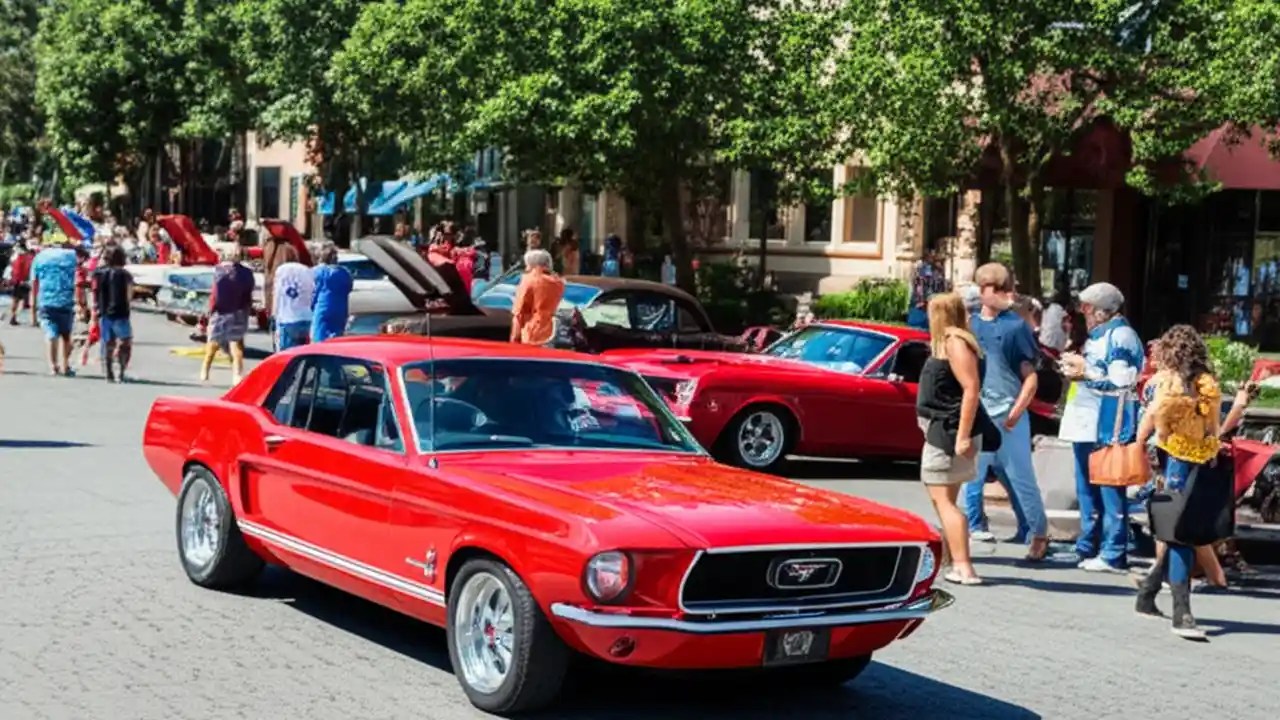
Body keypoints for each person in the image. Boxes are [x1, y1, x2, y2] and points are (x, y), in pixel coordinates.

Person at [1133, 325, 1221, 640]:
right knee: (1182, 532)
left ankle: (1149, 591)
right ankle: (1181, 611)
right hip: (1191, 460)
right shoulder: (1205, 384)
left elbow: (1152, 423)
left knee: (1178, 531)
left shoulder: (1166, 383)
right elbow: (1213, 428)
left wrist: (1141, 449)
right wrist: (1211, 452)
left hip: (1172, 460)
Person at [961, 263, 1050, 560]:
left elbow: (1031, 377)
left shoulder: (1015, 326)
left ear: (995, 291)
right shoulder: (971, 325)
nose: (979, 293)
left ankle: (1039, 533)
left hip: (1008, 414)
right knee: (970, 476)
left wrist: (1015, 412)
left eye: (983, 288)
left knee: (1022, 478)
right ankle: (961, 536)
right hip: (981, 413)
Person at [1058, 282, 1145, 572]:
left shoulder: (1120, 337)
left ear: (1104, 311)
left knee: (1108, 489)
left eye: (1088, 308)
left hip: (1108, 424)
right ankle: (1091, 545)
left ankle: (1112, 551)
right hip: (1091, 421)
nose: (1084, 313)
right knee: (1089, 488)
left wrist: (1085, 372)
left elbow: (1121, 383)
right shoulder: (1103, 334)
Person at [917, 292, 996, 585]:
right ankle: (952, 560)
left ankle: (964, 566)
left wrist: (962, 437)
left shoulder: (954, 342)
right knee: (944, 499)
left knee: (944, 501)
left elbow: (971, 388)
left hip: (948, 433)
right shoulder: (954, 341)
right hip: (946, 430)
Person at [201, 246, 255, 385]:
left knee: (213, 342)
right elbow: (249, 293)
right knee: (236, 343)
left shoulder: (219, 271)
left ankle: (205, 370)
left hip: (221, 311)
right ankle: (237, 374)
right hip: (240, 311)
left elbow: (215, 294)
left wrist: (210, 309)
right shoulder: (247, 273)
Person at [29, 236, 79, 376]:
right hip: (66, 299)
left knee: (51, 333)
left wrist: (33, 309)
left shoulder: (39, 257)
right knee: (66, 335)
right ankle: (66, 365)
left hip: (46, 299)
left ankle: (53, 366)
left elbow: (34, 283)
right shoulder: (71, 256)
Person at [93, 245, 133, 382]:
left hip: (105, 313)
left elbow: (95, 291)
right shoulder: (125, 275)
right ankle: (121, 371)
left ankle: (108, 370)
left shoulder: (99, 273)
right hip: (121, 313)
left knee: (107, 342)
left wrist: (95, 308)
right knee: (125, 341)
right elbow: (129, 295)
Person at [510, 249, 565, 346]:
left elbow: (520, 313)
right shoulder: (558, 283)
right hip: (552, 331)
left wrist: (514, 340)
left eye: (527, 264)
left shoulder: (529, 280)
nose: (526, 267)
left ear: (532, 264)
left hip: (532, 332)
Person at [273, 244, 314, 351]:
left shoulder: (281, 270)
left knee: (286, 355)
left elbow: (277, 295)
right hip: (306, 317)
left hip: (287, 318)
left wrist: (274, 315)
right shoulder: (306, 269)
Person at [310, 242, 353, 343]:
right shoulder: (345, 272)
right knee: (336, 339)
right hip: (341, 310)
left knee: (319, 339)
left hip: (323, 309)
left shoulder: (319, 271)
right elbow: (349, 289)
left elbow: (313, 292)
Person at [908, 249, 948, 329]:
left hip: (928, 308)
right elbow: (920, 289)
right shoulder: (924, 270)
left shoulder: (937, 271)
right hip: (923, 310)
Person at [6, 241, 34, 326]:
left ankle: (13, 316)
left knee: (17, 300)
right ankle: (12, 317)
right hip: (20, 281)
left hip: (18, 280)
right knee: (17, 300)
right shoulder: (21, 257)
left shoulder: (17, 256)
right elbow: (20, 270)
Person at [1040, 286, 1072, 351]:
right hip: (1053, 345)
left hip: (1043, 340)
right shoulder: (1062, 312)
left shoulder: (1047, 308)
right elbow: (1066, 327)